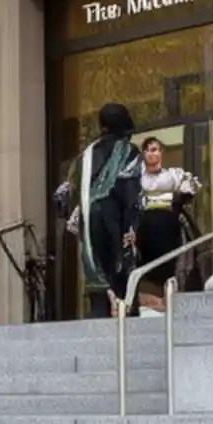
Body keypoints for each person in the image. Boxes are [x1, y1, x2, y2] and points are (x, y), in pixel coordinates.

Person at [54, 103, 143, 319]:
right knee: (122, 281)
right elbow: (131, 193)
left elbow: (64, 195)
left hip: (89, 220)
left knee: (97, 282)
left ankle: (99, 320)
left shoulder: (85, 155)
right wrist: (133, 227)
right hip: (116, 220)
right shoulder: (129, 151)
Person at [136, 137, 203, 313]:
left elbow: (192, 187)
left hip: (169, 228)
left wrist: (179, 200)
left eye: (156, 150)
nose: (152, 154)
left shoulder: (173, 175)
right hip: (144, 230)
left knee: (174, 265)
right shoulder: (136, 179)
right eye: (149, 150)